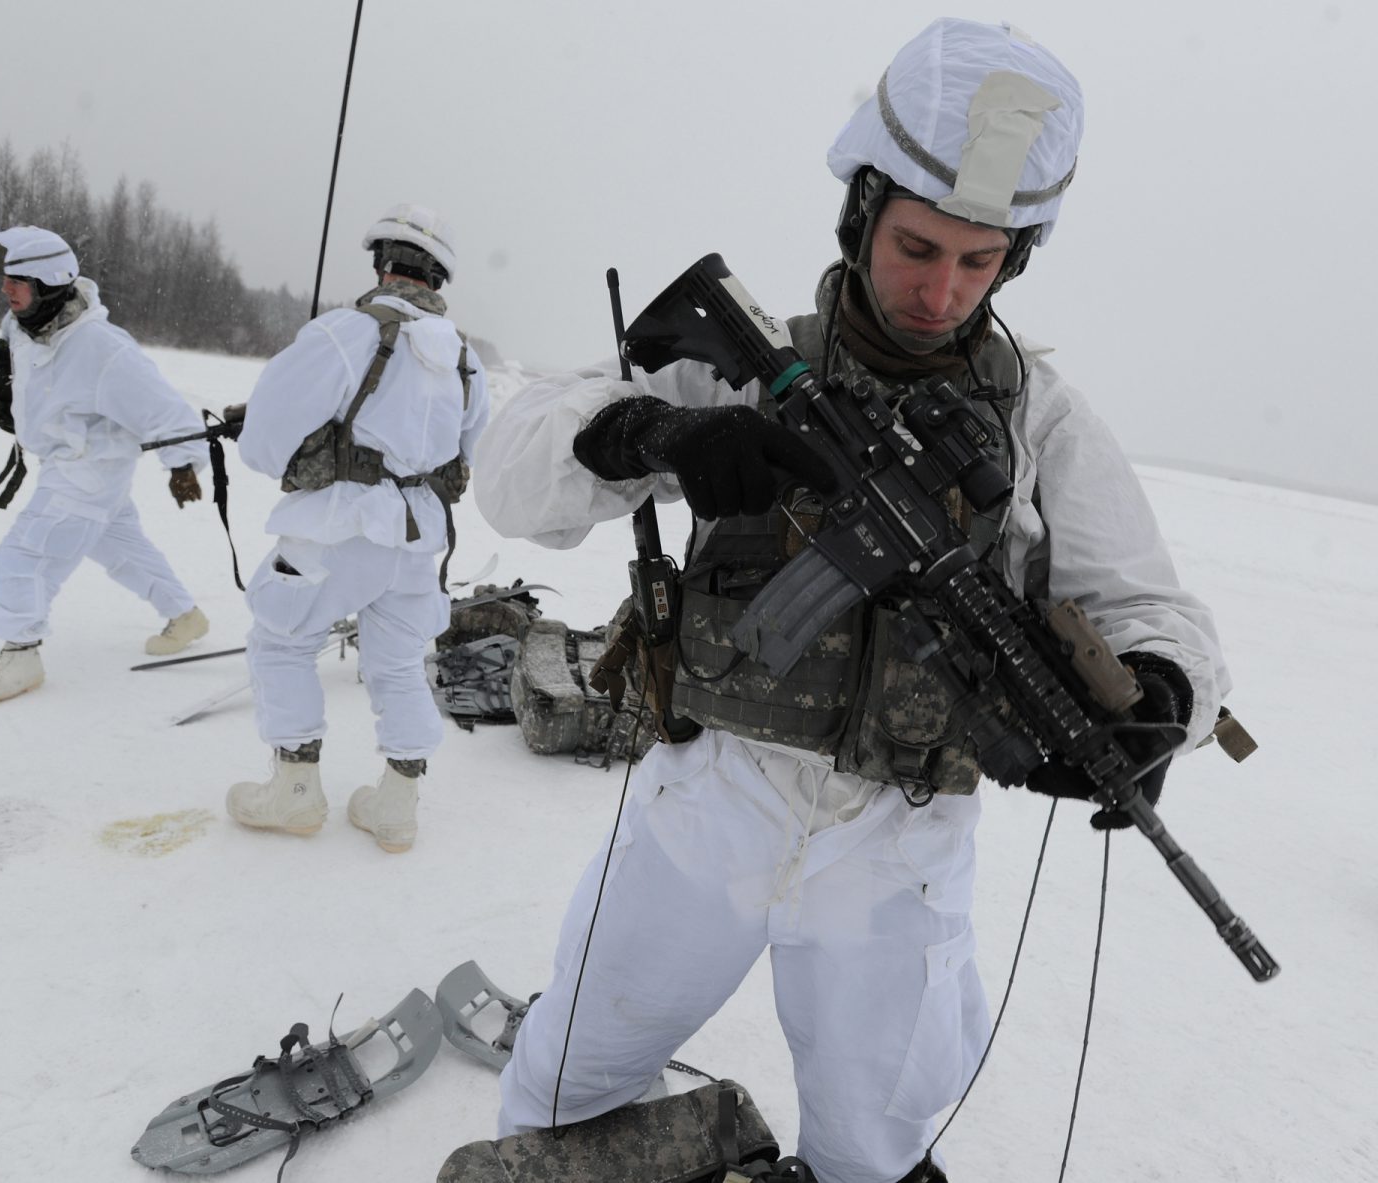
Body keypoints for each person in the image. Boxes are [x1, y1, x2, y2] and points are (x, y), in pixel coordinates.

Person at [471, 19, 1231, 1183]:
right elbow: (512, 467)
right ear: (860, 207)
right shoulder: (752, 356)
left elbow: (1146, 606)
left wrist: (1159, 699)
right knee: (568, 1074)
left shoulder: (1041, 421)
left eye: (979, 264)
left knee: (876, 1141)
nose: (940, 292)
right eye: (918, 246)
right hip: (713, 795)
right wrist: (651, 429)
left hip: (902, 833)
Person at [225, 203, 490, 851]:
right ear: (439, 280)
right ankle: (396, 804)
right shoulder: (466, 360)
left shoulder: (343, 331)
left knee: (282, 642)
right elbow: (468, 450)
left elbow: (263, 441)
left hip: (335, 530)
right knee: (397, 663)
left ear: (381, 262)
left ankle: (293, 789)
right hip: (416, 539)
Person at [0, 225, 211, 703]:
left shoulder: (103, 348)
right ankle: (184, 616)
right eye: (5, 279)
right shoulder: (23, 325)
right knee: (119, 546)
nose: (5, 289)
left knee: (25, 556)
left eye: (16, 280)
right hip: (65, 460)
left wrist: (182, 466)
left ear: (49, 282)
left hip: (89, 468)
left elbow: (165, 410)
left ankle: (21, 654)